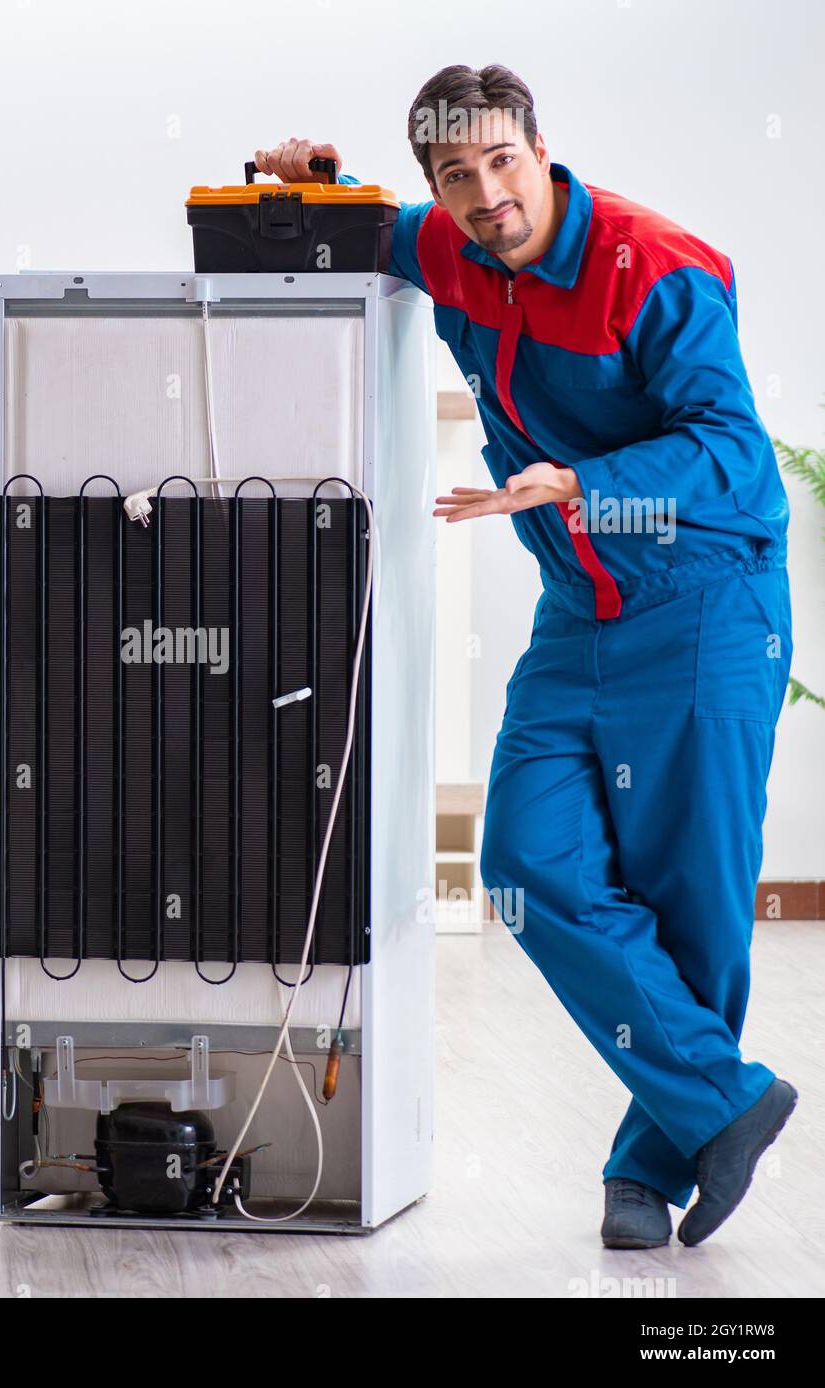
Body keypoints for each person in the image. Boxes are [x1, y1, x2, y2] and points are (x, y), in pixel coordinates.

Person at [255, 62, 796, 1250]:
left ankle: (649, 1167)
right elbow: (370, 228)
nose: (485, 191)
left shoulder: (655, 267)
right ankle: (721, 1101)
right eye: (454, 174)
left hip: (702, 600)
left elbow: (733, 456)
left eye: (500, 160)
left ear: (540, 148)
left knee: (692, 896)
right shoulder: (444, 245)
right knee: (523, 856)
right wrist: (316, 182)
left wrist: (582, 483)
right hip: (576, 611)